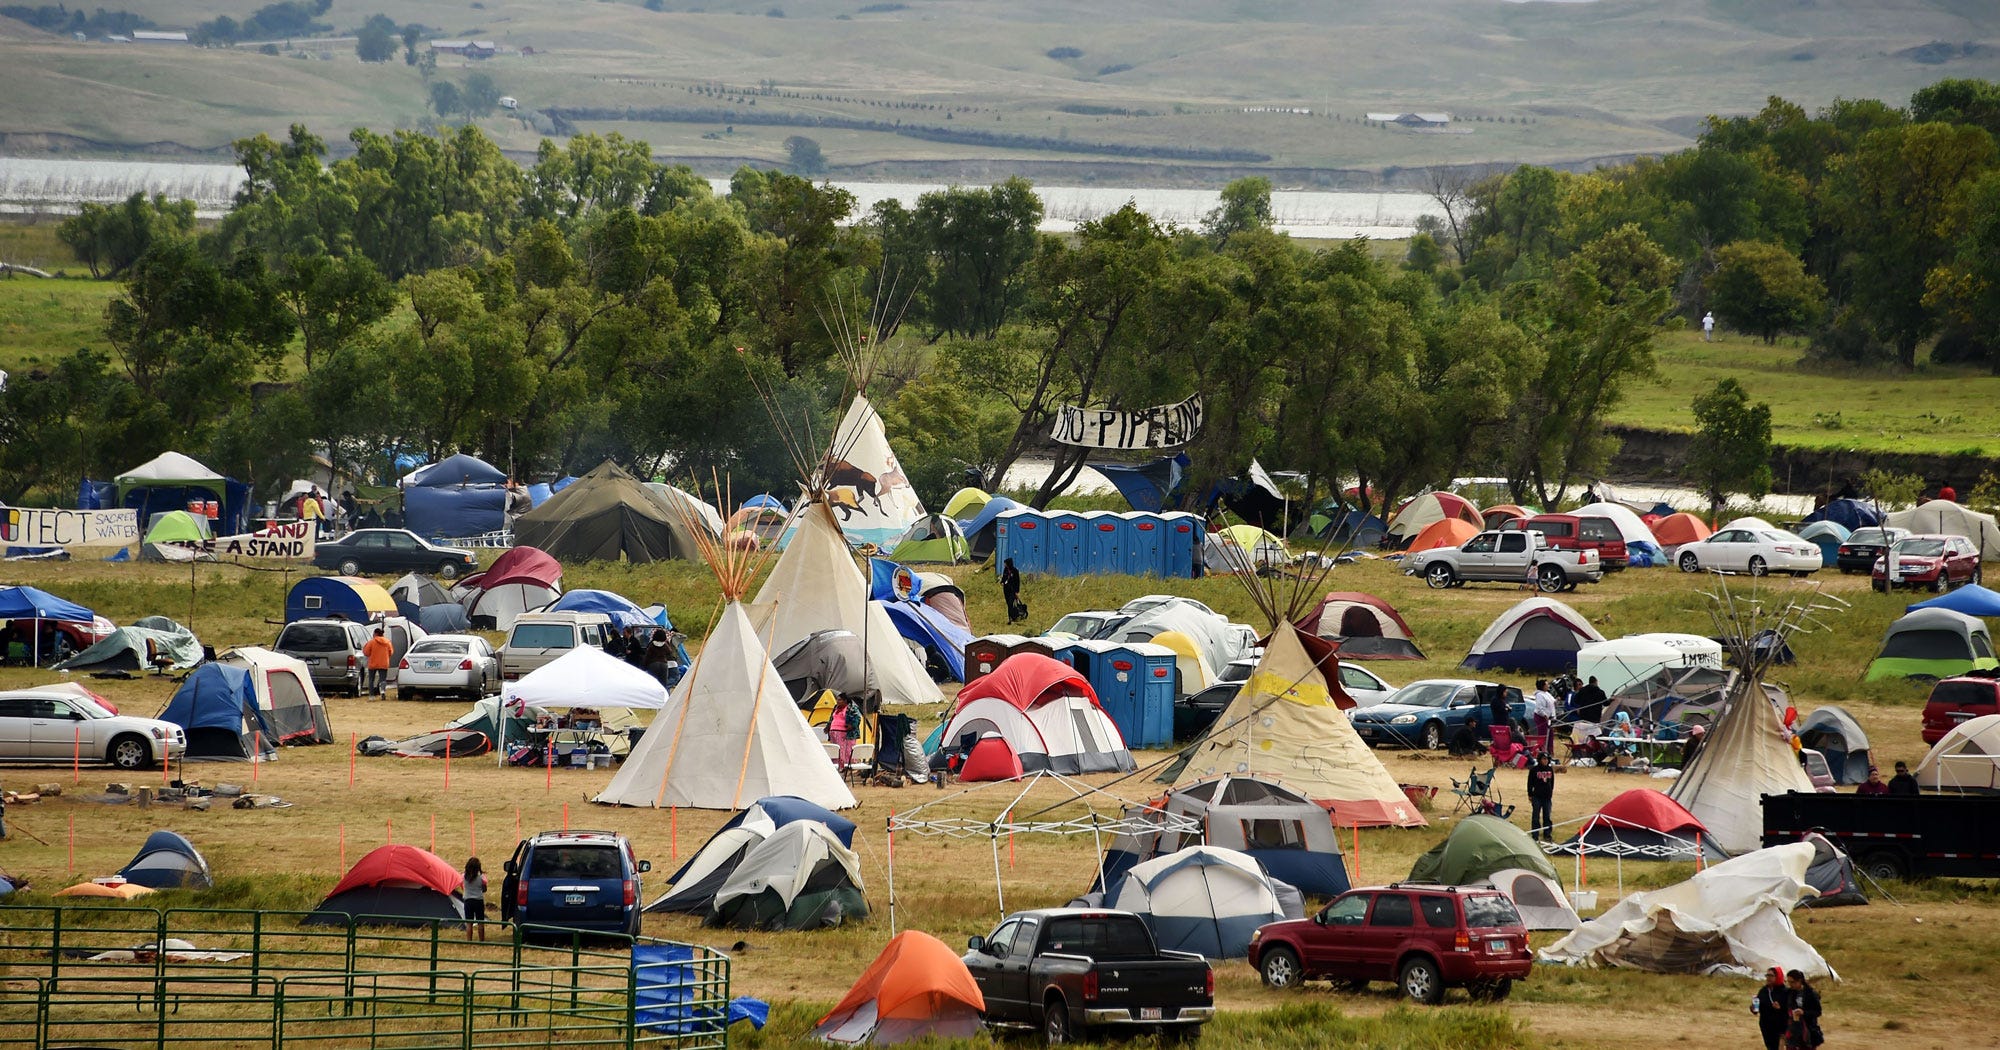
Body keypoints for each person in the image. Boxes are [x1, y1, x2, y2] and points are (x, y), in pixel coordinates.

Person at [1753, 966, 1790, 1050]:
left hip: (1781, 1027)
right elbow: (1758, 1008)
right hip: (1766, 1026)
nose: (1768, 978)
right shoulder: (1764, 991)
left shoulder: (1785, 992)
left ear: (1778, 976)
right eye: (1767, 975)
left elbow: (1790, 1010)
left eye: (1771, 975)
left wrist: (1780, 1008)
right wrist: (1753, 1008)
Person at [1784, 970, 1823, 1049]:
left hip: (1808, 1029)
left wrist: (1804, 1012)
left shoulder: (1810, 994)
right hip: (1793, 1030)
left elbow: (1818, 1012)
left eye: (1792, 982)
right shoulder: (1789, 993)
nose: (1790, 984)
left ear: (1800, 981)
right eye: (1789, 982)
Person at [1526, 751, 1556, 842]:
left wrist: (1550, 791)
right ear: (1539, 760)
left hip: (1547, 797)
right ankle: (1535, 835)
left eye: (1547, 759)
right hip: (1537, 797)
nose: (1546, 761)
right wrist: (1530, 794)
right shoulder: (1534, 770)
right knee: (1536, 816)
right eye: (1544, 759)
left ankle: (1547, 834)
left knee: (1547, 816)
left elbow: (1552, 782)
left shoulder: (1550, 769)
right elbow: (1530, 783)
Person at [361, 627, 394, 698]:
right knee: (383, 679)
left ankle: (371, 696)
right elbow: (391, 652)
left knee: (371, 680)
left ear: (375, 633)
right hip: (384, 663)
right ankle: (382, 691)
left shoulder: (371, 642)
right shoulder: (387, 642)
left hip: (373, 663)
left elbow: (366, 652)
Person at [1528, 679, 1557, 753]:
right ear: (1543, 686)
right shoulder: (1539, 695)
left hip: (1549, 718)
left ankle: (1550, 751)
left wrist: (1556, 700)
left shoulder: (1547, 693)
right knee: (1543, 735)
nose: (1548, 686)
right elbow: (1539, 708)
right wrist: (1544, 715)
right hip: (1542, 718)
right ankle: (1543, 751)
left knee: (1550, 734)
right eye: (1547, 685)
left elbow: (1552, 701)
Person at [462, 857, 487, 941]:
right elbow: (484, 889)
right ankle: (481, 940)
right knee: (480, 922)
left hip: (468, 900)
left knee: (469, 923)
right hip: (478, 900)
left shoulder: (464, 877)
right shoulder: (481, 877)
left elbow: (463, 886)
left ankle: (469, 940)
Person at [1000, 558, 1024, 623]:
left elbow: (1017, 581)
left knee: (1010, 603)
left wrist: (1017, 591)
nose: (1004, 564)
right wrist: (1002, 582)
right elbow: (1004, 577)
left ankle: (1011, 618)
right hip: (1006, 589)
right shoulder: (1005, 570)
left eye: (1005, 563)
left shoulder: (1015, 571)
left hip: (1012, 590)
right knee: (1008, 604)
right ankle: (1011, 617)